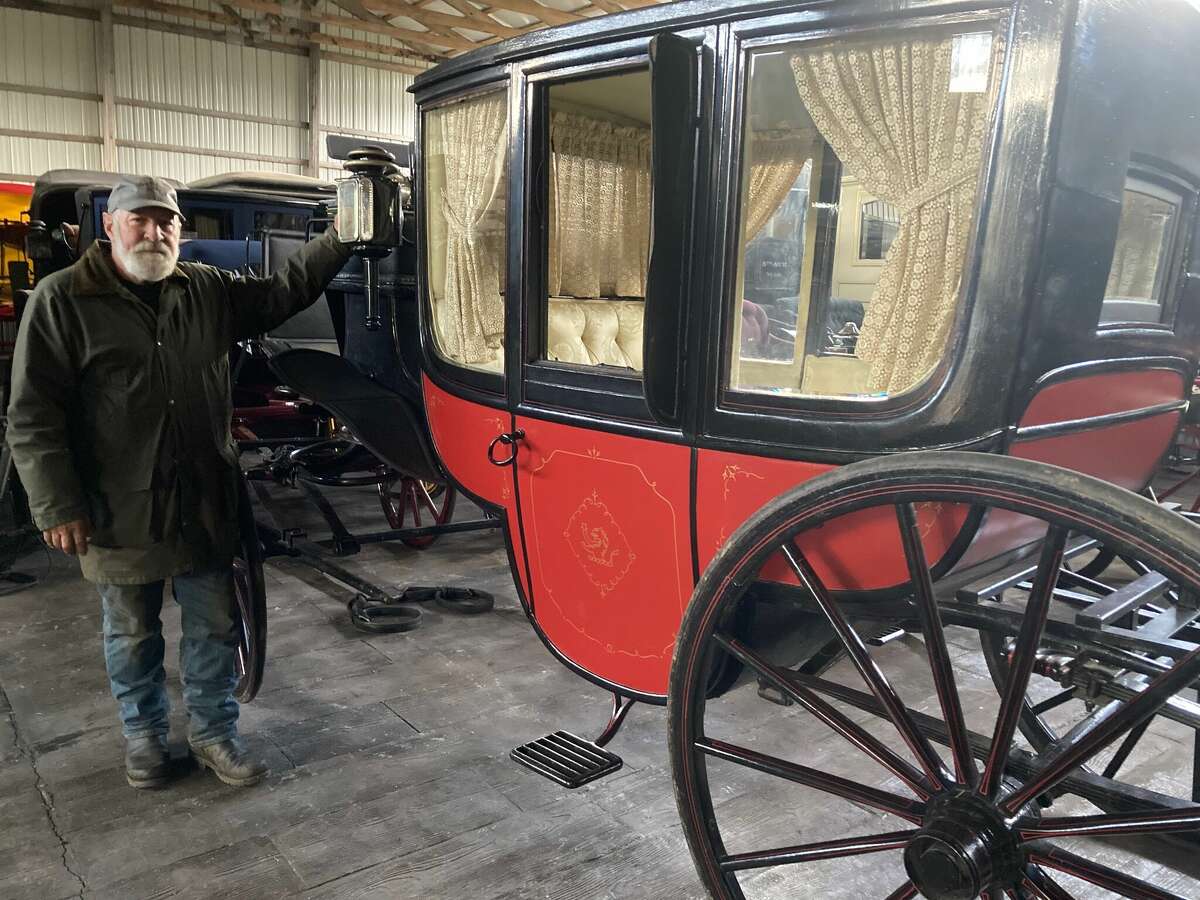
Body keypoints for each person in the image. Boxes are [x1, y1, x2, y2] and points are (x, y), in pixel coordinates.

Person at [6, 175, 352, 789]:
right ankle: (143, 740)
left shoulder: (207, 289)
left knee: (216, 625)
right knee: (132, 632)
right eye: (138, 220)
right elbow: (33, 414)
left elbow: (283, 291)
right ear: (110, 227)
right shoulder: (61, 300)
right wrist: (56, 503)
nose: (153, 232)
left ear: (180, 230)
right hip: (116, 506)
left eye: (166, 221)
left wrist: (344, 233)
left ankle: (214, 735)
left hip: (203, 496)